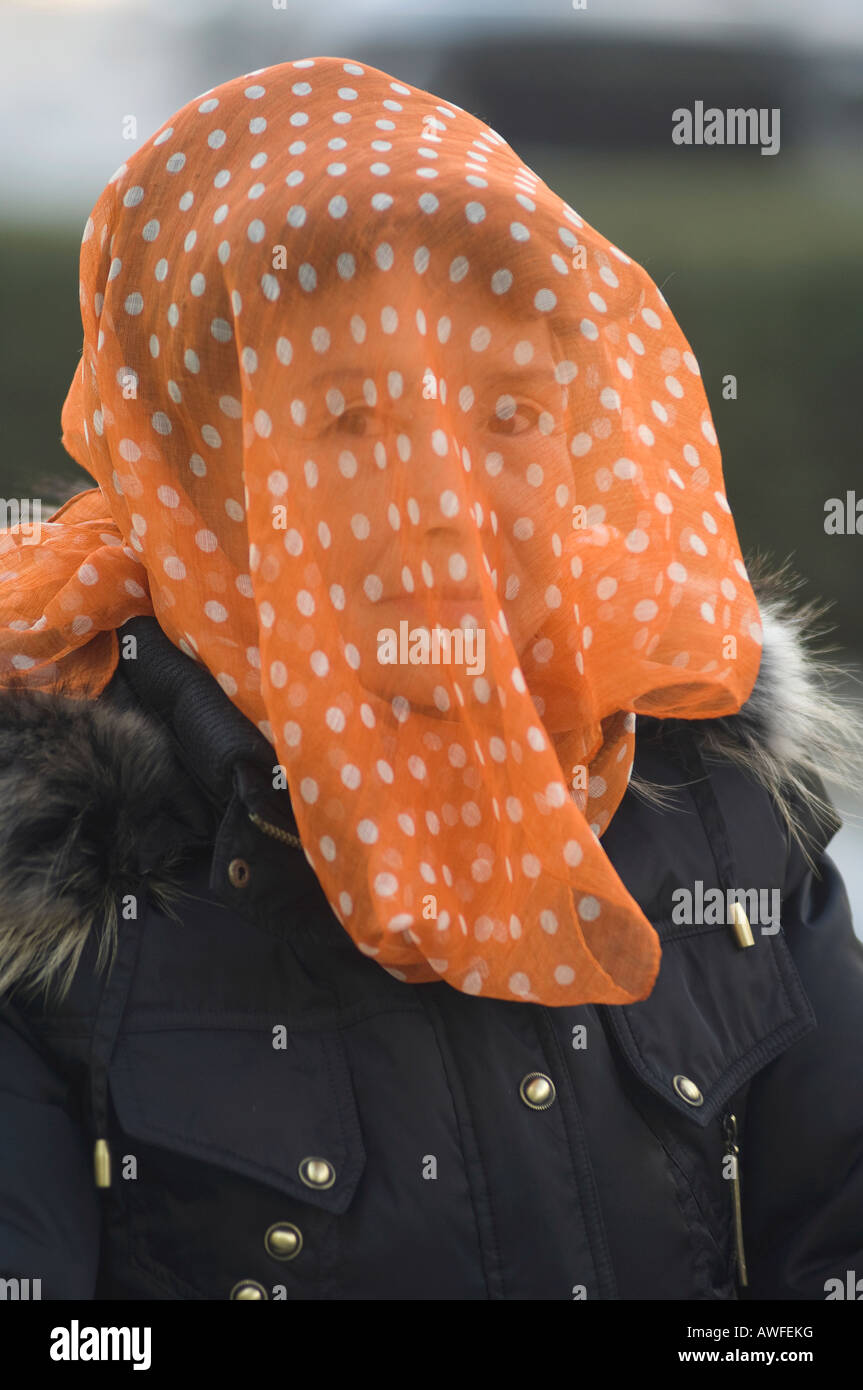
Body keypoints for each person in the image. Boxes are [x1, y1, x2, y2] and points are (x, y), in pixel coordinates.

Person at [0, 54, 861, 1302]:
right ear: (198, 456)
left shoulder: (705, 782)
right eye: (347, 419)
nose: (442, 498)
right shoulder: (59, 891)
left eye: (502, 412)